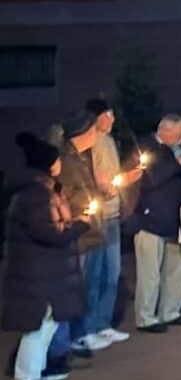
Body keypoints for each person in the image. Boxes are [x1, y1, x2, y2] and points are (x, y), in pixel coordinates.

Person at [5, 133, 96, 380]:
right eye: (56, 161)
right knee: (38, 327)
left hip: (43, 272)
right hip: (37, 274)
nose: (60, 165)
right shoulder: (36, 195)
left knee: (47, 325)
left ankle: (38, 370)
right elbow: (49, 233)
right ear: (48, 165)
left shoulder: (43, 190)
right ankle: (27, 379)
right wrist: (80, 223)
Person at [81, 100, 138, 346]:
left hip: (112, 215)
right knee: (93, 275)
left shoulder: (108, 141)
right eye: (108, 114)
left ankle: (103, 324)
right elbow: (102, 182)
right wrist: (127, 178)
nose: (112, 119)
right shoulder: (93, 143)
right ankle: (87, 329)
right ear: (97, 117)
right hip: (98, 217)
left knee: (111, 273)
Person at [133, 114, 181, 333]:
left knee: (174, 269)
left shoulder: (170, 151)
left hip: (173, 219)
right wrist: (177, 166)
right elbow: (149, 179)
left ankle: (170, 311)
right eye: (180, 134)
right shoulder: (146, 148)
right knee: (150, 273)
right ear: (166, 131)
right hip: (150, 220)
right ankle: (146, 317)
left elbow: (172, 183)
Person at [56, 111, 105, 352]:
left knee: (84, 286)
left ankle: (79, 335)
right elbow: (67, 193)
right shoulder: (67, 161)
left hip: (86, 229)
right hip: (78, 231)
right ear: (83, 134)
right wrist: (84, 206)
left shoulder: (78, 158)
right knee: (74, 288)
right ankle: (71, 340)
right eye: (94, 130)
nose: (96, 135)